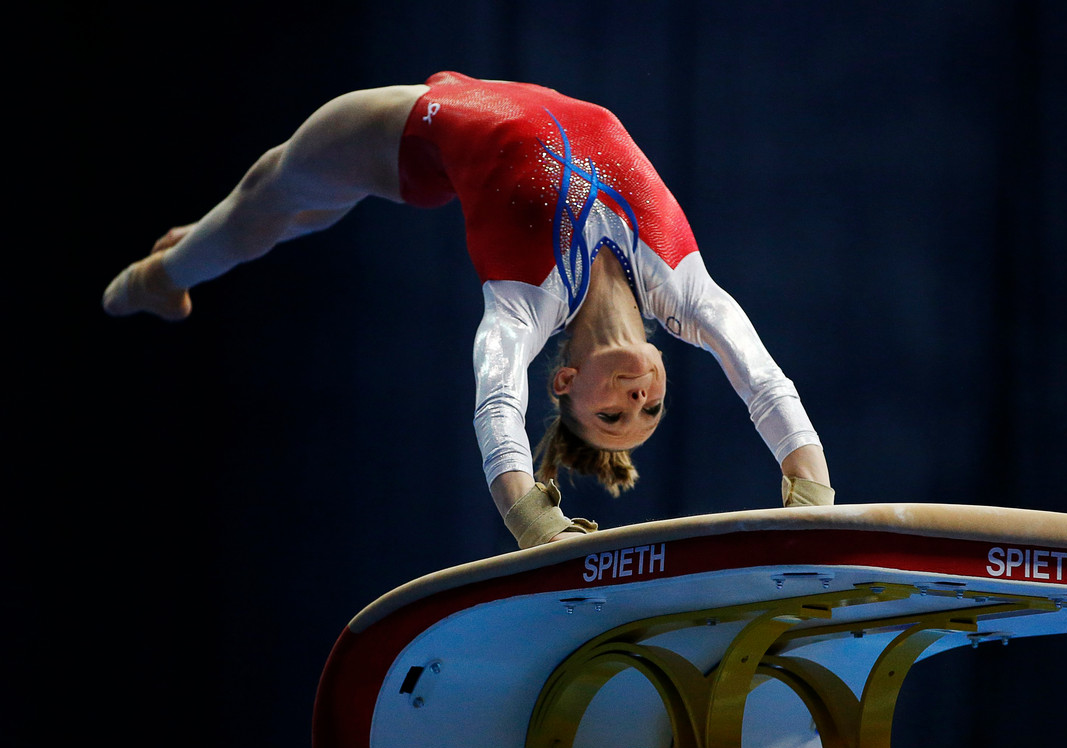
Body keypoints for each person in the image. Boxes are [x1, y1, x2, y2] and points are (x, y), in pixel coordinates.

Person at [103, 71, 833, 547]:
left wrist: (530, 520)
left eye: (610, 415)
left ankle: (159, 274)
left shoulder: (526, 302)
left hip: (402, 135)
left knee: (267, 203)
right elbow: (765, 383)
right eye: (648, 413)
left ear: (564, 381)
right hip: (466, 113)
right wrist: (811, 500)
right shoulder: (684, 292)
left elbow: (494, 404)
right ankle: (190, 249)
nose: (636, 404)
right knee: (272, 203)